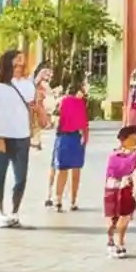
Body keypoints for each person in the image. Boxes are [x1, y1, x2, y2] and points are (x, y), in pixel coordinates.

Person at [0, 49, 33, 229]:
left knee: (20, 177)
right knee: (0, 175)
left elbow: (32, 104)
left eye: (22, 63)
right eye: (17, 63)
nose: (20, 66)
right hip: (3, 137)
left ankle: (14, 212)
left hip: (23, 137)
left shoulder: (27, 85)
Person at [50, 77, 89, 212]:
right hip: (76, 137)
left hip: (63, 137)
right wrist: (85, 138)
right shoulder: (81, 103)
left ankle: (58, 200)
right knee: (76, 170)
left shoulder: (61, 101)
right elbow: (84, 123)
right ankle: (73, 201)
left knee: (62, 170)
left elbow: (55, 119)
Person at [103, 125, 136, 259]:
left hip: (124, 188)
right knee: (114, 217)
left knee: (123, 216)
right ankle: (112, 240)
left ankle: (119, 241)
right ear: (124, 139)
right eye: (133, 136)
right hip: (115, 187)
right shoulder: (117, 155)